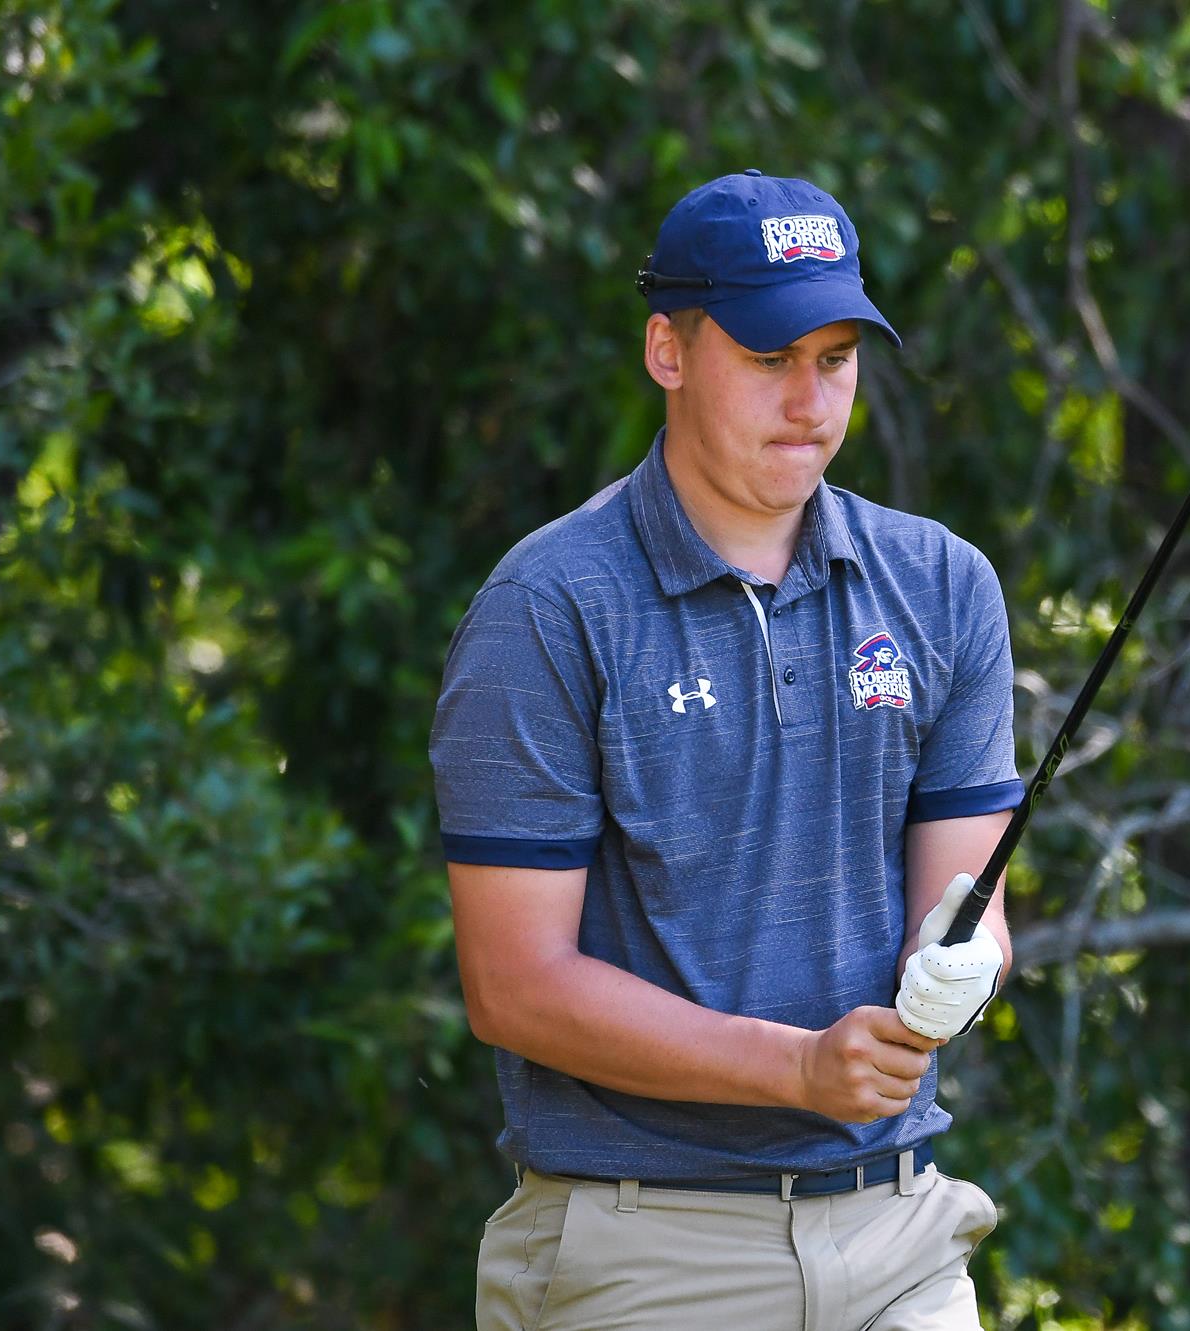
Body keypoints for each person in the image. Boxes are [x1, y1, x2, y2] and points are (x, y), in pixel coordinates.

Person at [428, 169, 1023, 1330]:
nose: (809, 399)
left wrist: (963, 962)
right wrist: (798, 1068)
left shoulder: (943, 587)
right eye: (767, 357)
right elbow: (512, 984)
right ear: (667, 349)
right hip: (644, 1251)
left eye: (837, 357)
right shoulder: (548, 606)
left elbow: (969, 902)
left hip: (898, 1231)